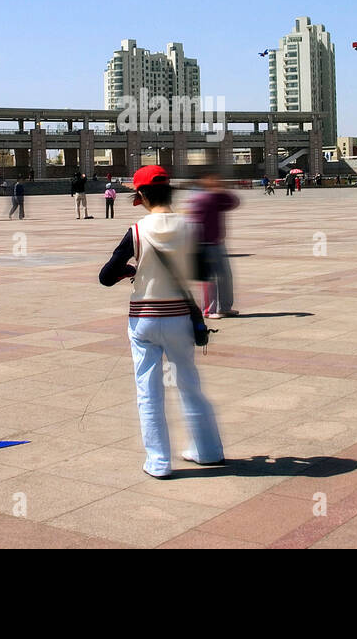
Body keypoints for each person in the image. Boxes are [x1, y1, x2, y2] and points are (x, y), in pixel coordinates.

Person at [98, 165, 224, 478]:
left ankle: (158, 462)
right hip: (180, 318)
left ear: (140, 196)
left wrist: (133, 271)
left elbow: (105, 276)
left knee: (148, 389)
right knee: (189, 384)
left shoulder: (137, 231)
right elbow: (203, 273)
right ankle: (207, 451)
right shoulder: (189, 227)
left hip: (144, 320)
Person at [188, 172, 241, 321]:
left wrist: (220, 190)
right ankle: (208, 309)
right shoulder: (200, 197)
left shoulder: (214, 196)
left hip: (217, 243)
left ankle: (225, 308)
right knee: (209, 279)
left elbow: (233, 202)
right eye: (213, 179)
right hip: (203, 244)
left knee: (225, 276)